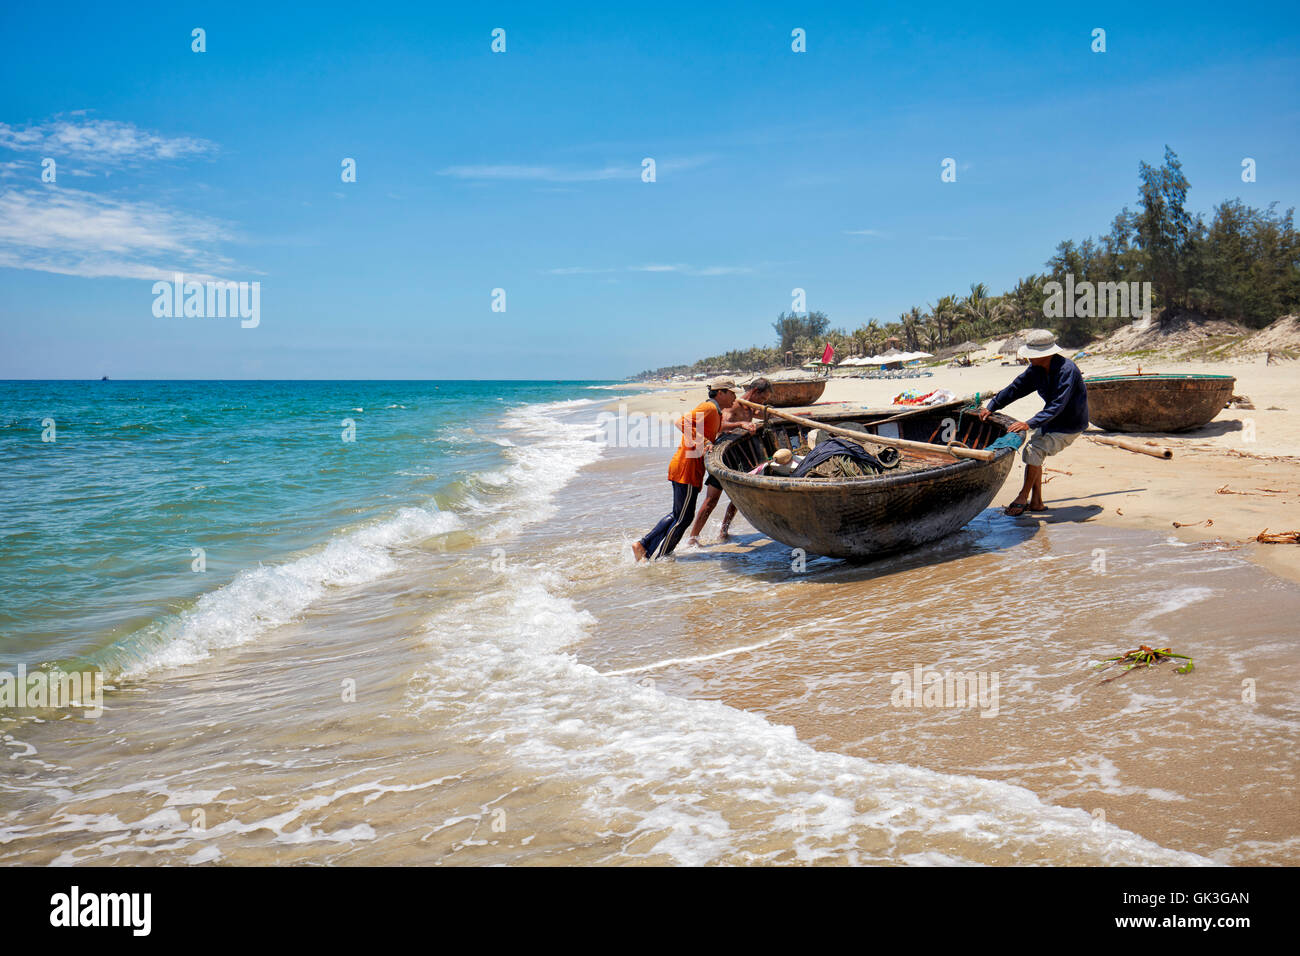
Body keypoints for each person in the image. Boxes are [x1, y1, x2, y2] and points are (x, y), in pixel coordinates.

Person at [633, 379, 759, 560]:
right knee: (683, 518)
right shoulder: (708, 408)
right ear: (720, 393)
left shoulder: (715, 412)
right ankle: (662, 556)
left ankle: (644, 547)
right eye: (731, 392)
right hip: (687, 466)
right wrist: (704, 441)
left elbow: (714, 428)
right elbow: (681, 422)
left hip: (691, 466)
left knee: (680, 515)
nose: (735, 396)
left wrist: (739, 425)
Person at [977, 329, 1088, 516]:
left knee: (1033, 451)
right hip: (1051, 422)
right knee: (1035, 454)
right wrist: (993, 405)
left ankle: (1022, 496)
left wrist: (1029, 423)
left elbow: (1057, 405)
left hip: (1069, 424)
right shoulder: (1036, 370)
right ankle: (1036, 502)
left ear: (1047, 354)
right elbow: (1016, 388)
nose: (1029, 359)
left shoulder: (1066, 370)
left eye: (1033, 356)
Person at [686, 378, 772, 546]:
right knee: (711, 499)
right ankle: (693, 538)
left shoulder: (750, 407)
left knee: (738, 497)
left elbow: (761, 414)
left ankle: (723, 531)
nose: (763, 402)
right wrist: (741, 424)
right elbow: (720, 425)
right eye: (762, 399)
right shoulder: (734, 405)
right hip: (724, 454)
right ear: (755, 392)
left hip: (740, 453)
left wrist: (770, 411)